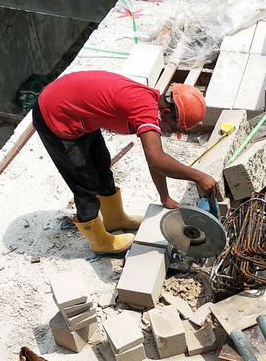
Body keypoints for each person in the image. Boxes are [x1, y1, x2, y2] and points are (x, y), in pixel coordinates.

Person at [32, 70, 218, 254]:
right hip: (54, 116)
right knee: (85, 183)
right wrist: (199, 177)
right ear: (166, 112)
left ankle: (115, 219)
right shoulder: (145, 110)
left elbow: (154, 158)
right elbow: (156, 160)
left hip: (76, 111)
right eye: (174, 128)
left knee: (101, 165)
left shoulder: (149, 100)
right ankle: (100, 243)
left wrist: (165, 197)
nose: (169, 132)